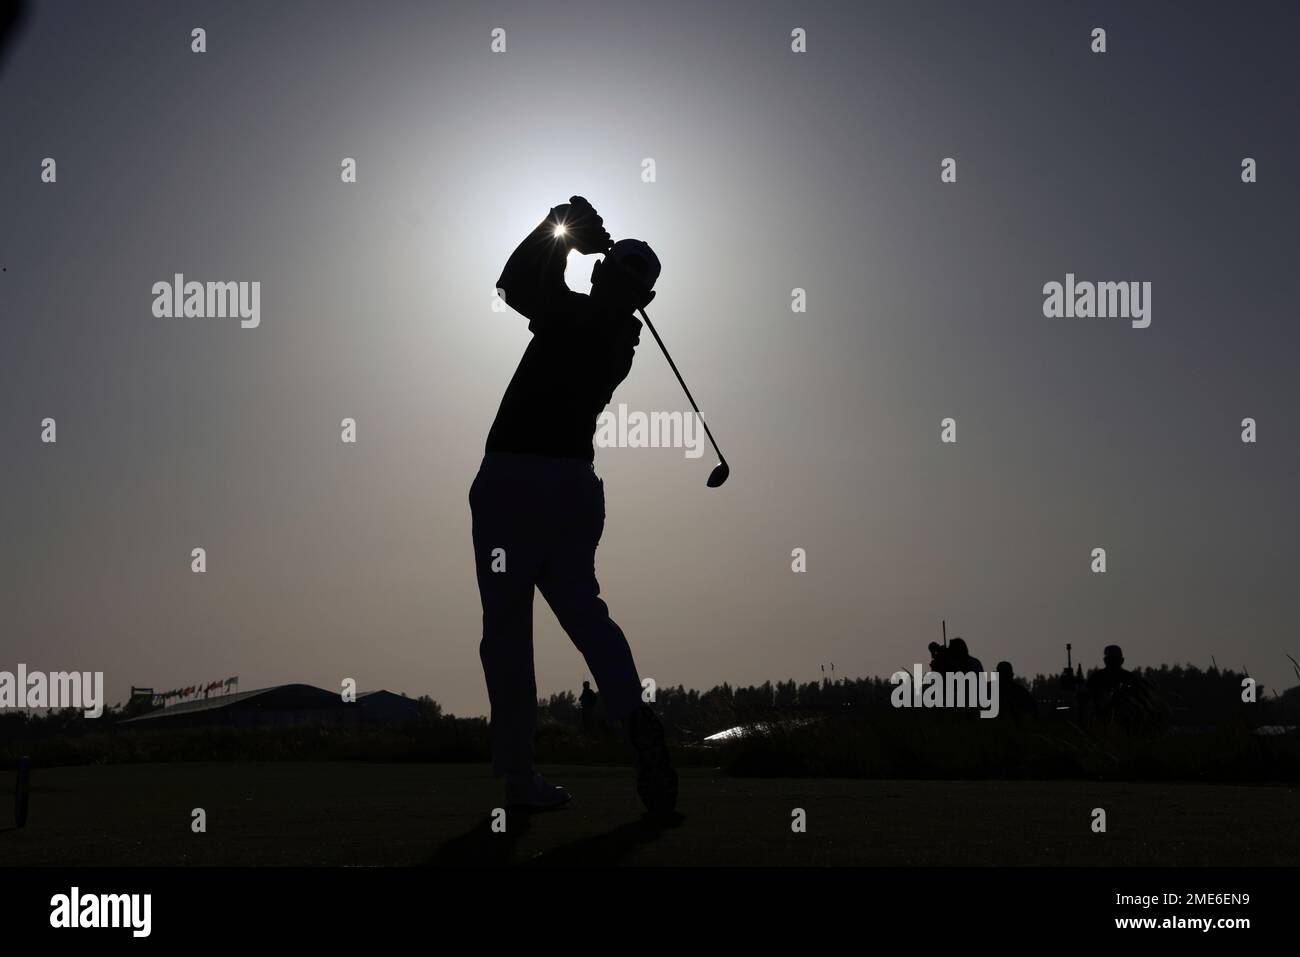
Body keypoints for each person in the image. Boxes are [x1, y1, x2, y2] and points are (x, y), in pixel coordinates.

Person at [470, 196, 677, 814]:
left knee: (506, 634)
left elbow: (513, 283)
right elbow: (531, 286)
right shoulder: (617, 336)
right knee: (588, 617)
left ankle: (518, 779)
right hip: (573, 490)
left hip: (513, 483)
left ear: (603, 278)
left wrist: (561, 225)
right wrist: (574, 234)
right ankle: (637, 720)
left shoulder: (578, 319)